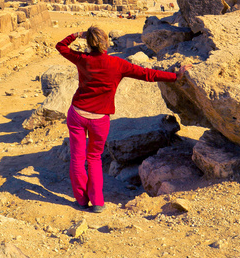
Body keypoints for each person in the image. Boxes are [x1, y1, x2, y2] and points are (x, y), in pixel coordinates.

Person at [55, 26, 181, 213]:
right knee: (94, 158)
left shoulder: (82, 59)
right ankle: (97, 202)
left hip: (78, 114)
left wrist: (76, 35)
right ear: (106, 43)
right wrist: (176, 76)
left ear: (89, 44)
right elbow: (147, 75)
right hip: (99, 119)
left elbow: (61, 46)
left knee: (77, 158)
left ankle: (81, 200)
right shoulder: (117, 64)